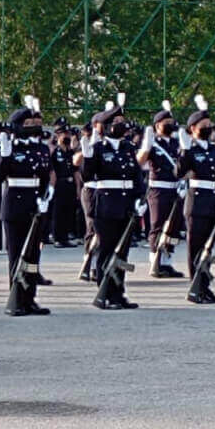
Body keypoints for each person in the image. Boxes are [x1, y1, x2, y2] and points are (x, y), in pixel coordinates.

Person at [80, 103, 144, 309]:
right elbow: (88, 176)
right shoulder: (98, 149)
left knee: (122, 252)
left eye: (122, 122)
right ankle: (104, 292)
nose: (121, 125)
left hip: (126, 204)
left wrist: (139, 198)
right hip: (106, 205)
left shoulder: (128, 148)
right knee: (107, 250)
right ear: (106, 127)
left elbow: (136, 175)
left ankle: (118, 292)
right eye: (116, 122)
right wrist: (87, 158)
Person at [0, 105, 53, 316]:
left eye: (32, 124)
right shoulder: (11, 148)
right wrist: (4, 155)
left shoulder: (41, 149)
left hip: (35, 204)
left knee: (33, 255)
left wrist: (46, 195)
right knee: (16, 253)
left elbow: (45, 177)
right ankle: (16, 297)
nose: (30, 128)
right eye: (25, 125)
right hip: (15, 204)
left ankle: (30, 298)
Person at [176, 106, 215, 303]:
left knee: (208, 247)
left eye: (209, 125)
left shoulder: (214, 149)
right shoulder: (190, 150)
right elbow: (179, 172)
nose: (208, 128)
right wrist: (184, 151)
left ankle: (205, 286)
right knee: (196, 246)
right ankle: (196, 286)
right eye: (203, 126)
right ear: (192, 129)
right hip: (196, 202)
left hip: (212, 201)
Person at [136, 103, 184, 278]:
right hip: (158, 189)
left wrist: (183, 182)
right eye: (166, 122)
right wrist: (145, 147)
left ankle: (167, 261)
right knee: (157, 225)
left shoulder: (176, 143)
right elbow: (139, 163)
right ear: (157, 125)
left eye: (171, 121)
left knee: (173, 226)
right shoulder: (153, 144)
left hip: (175, 189)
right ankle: (155, 261)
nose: (170, 125)